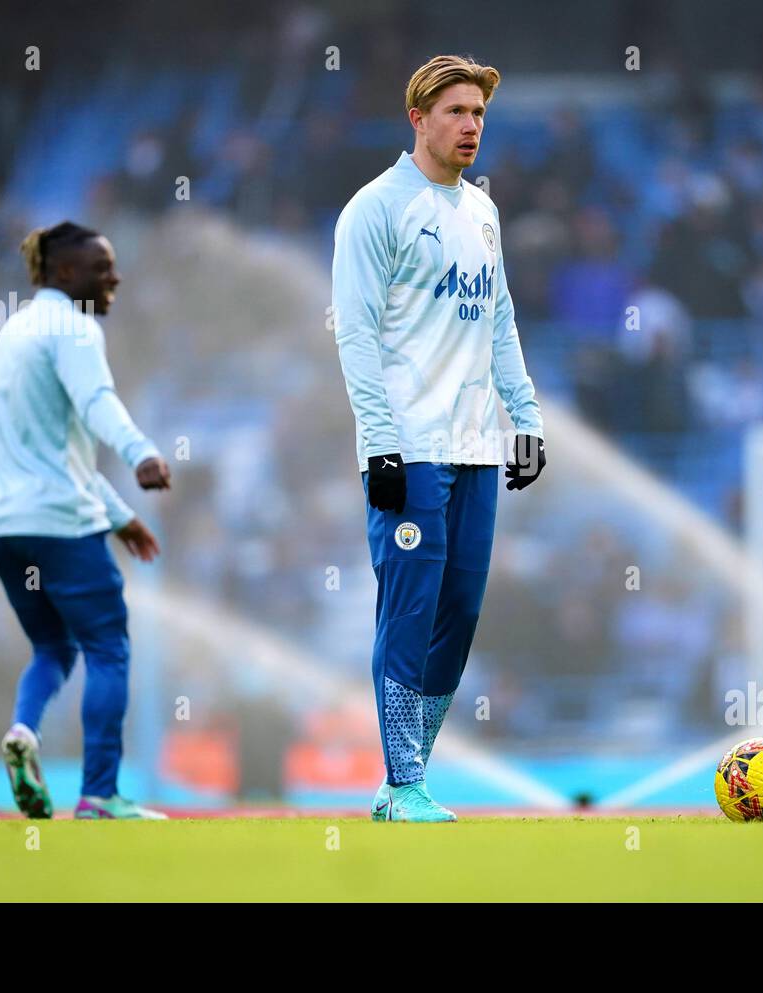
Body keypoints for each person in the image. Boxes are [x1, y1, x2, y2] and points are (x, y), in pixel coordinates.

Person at [332, 55, 547, 822]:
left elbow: (500, 322)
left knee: (459, 610)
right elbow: (355, 335)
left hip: (475, 446)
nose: (470, 126)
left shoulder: (482, 214)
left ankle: (407, 778)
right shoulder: (375, 210)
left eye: (480, 115)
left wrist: (523, 419)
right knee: (411, 607)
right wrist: (382, 443)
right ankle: (403, 782)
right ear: (417, 119)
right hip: (410, 446)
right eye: (456, 112)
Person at [0, 221, 172, 820]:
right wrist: (141, 451)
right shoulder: (74, 327)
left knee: (53, 647)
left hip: (1, 526)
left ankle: (23, 732)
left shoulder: (14, 332)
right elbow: (95, 404)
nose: (113, 277)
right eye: (101, 266)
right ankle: (100, 795)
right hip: (60, 523)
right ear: (64, 272)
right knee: (108, 647)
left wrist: (119, 517)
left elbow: (58, 450)